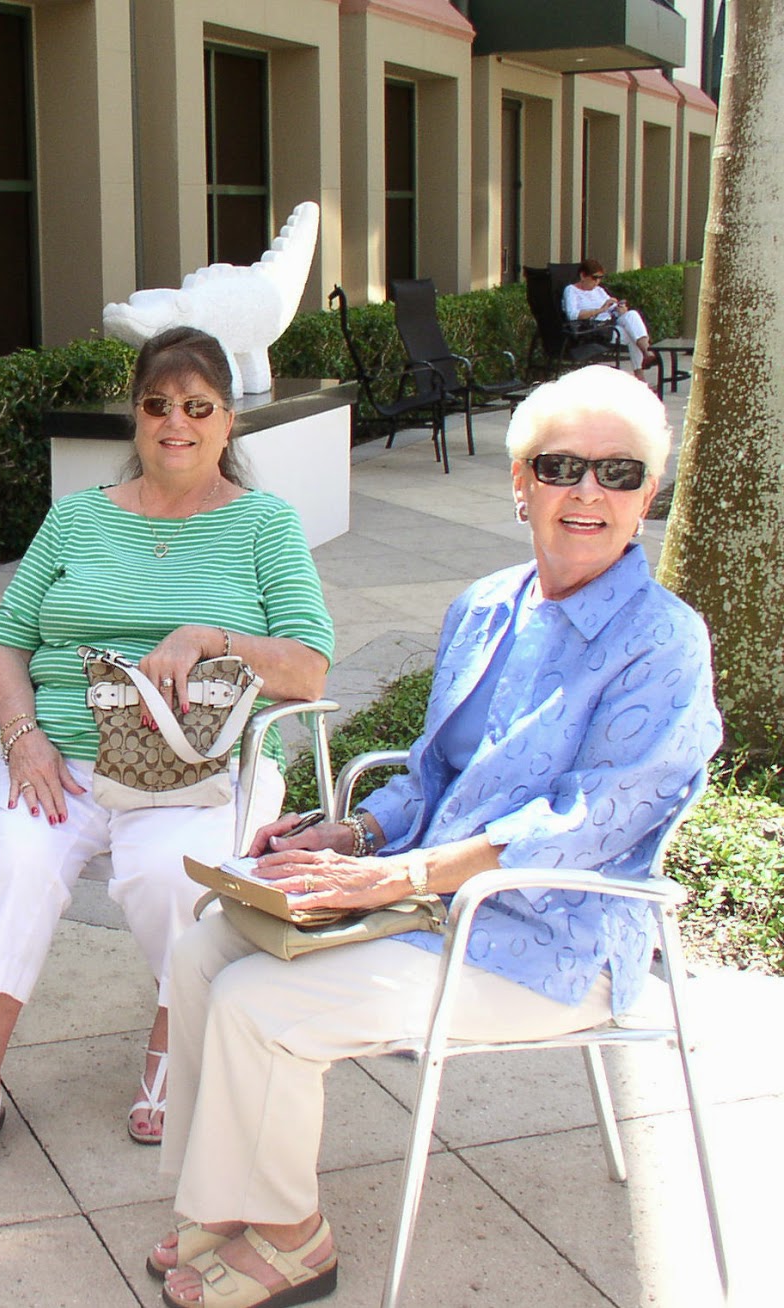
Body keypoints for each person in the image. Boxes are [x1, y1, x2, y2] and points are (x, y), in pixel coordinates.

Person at [148, 363, 721, 1308]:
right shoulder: (488, 606)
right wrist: (348, 835)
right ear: (521, 482)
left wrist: (396, 877)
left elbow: (588, 823)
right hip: (430, 906)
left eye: (617, 473)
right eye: (562, 467)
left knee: (261, 1003)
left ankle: (292, 1237)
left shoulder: (664, 642)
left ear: (646, 493)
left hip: (549, 938)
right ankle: (226, 1201)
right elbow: (433, 776)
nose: (587, 493)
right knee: (205, 948)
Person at [0, 326, 335, 1195]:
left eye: (197, 407)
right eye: (157, 404)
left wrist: (213, 636)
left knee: (165, 879)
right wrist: (23, 738)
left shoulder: (264, 525)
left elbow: (308, 669)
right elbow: (3, 639)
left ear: (228, 422)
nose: (175, 423)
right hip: (63, 762)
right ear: (135, 418)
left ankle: (169, 1037)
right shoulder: (77, 517)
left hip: (198, 773)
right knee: (13, 869)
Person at [563, 258, 653, 379]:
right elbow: (572, 315)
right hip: (593, 329)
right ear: (583, 275)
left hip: (610, 324)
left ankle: (646, 352)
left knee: (632, 315)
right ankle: (641, 370)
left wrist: (619, 309)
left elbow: (611, 308)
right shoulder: (571, 290)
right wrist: (600, 310)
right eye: (594, 278)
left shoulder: (599, 290)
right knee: (632, 335)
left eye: (600, 278)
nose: (597, 282)